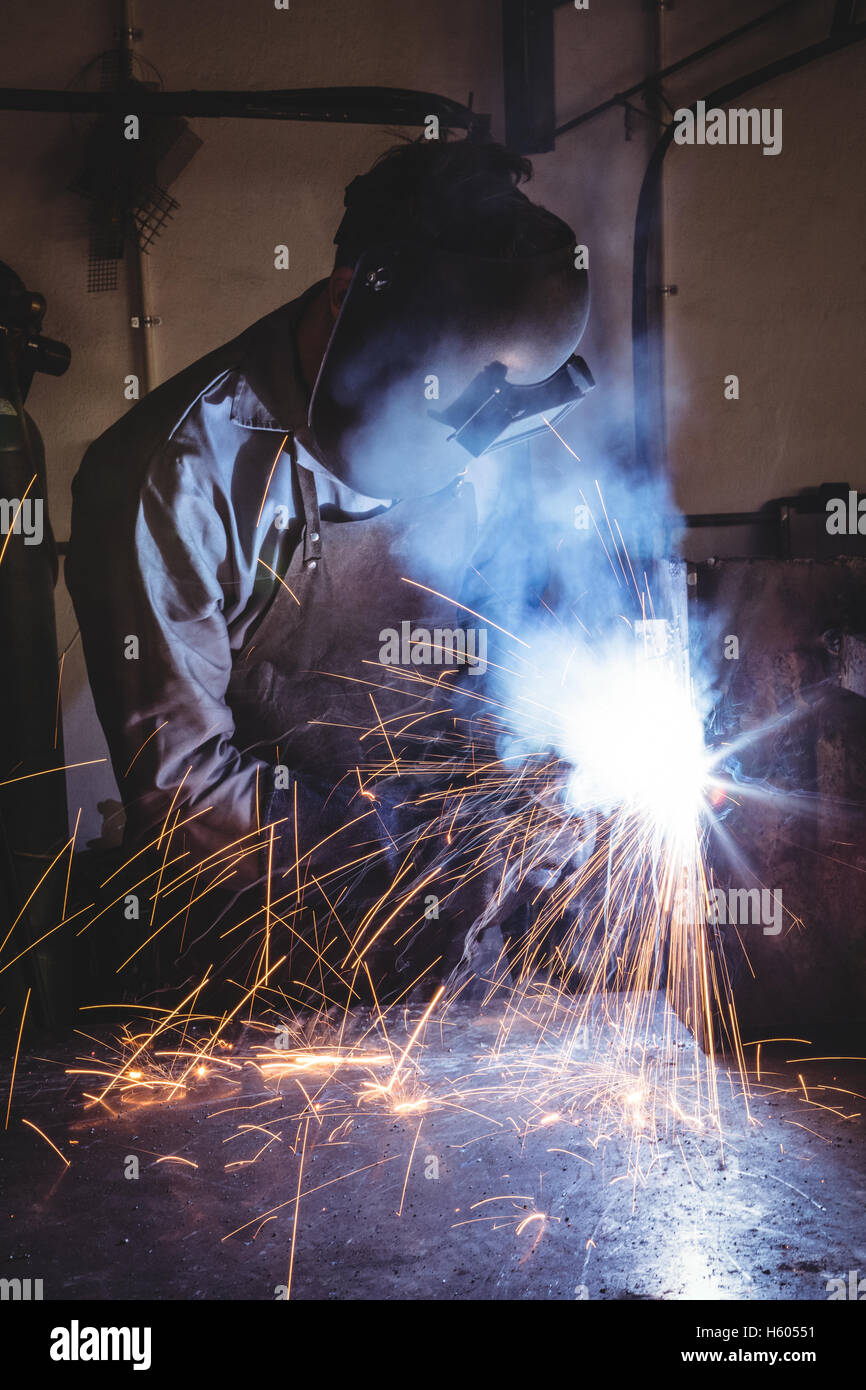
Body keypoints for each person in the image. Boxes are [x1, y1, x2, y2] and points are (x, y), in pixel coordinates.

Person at [66, 137, 590, 1002]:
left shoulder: (490, 428)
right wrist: (366, 840)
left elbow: (501, 635)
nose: (461, 443)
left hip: (433, 941)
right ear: (351, 297)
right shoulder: (175, 475)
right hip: (241, 950)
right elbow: (179, 785)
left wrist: (542, 764)